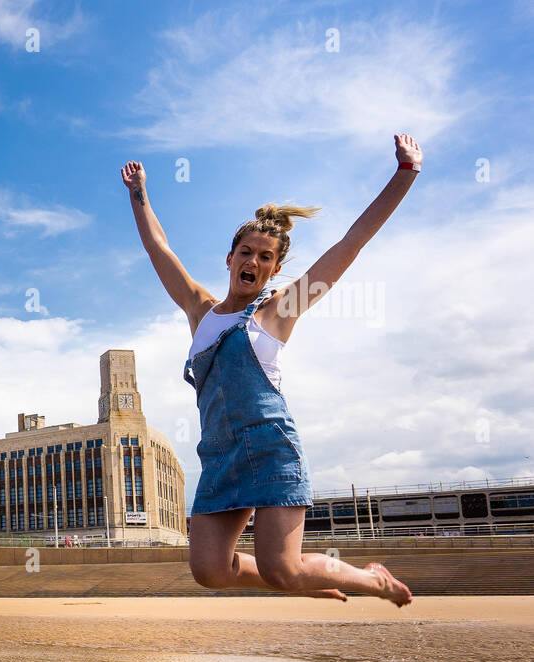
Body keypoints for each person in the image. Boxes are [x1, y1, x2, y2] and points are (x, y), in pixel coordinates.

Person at [121, 135, 421, 605]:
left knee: (284, 567)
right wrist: (139, 193)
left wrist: (405, 175)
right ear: (230, 258)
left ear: (274, 269)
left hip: (270, 447)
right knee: (208, 570)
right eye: (246, 252)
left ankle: (372, 580)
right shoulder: (200, 310)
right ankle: (300, 580)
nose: (253, 261)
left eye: (265, 257)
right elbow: (158, 248)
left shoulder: (279, 310)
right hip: (218, 454)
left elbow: (352, 241)